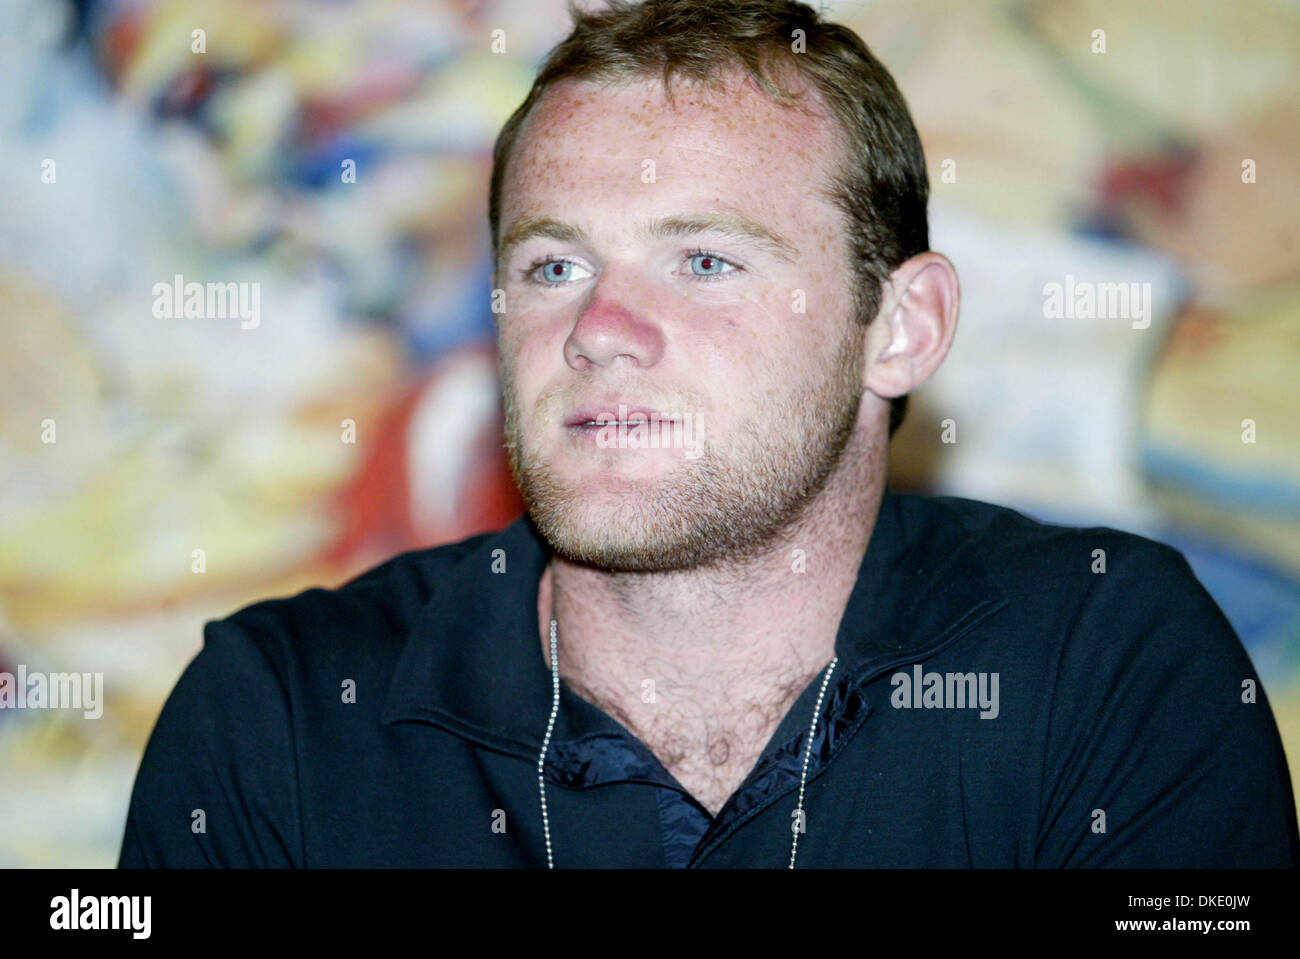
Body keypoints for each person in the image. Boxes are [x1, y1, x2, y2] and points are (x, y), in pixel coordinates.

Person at [118, 0, 1299, 868]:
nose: (600, 328)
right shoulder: (279, 711)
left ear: (901, 324)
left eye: (703, 258)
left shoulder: (1103, 661)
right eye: (552, 262)